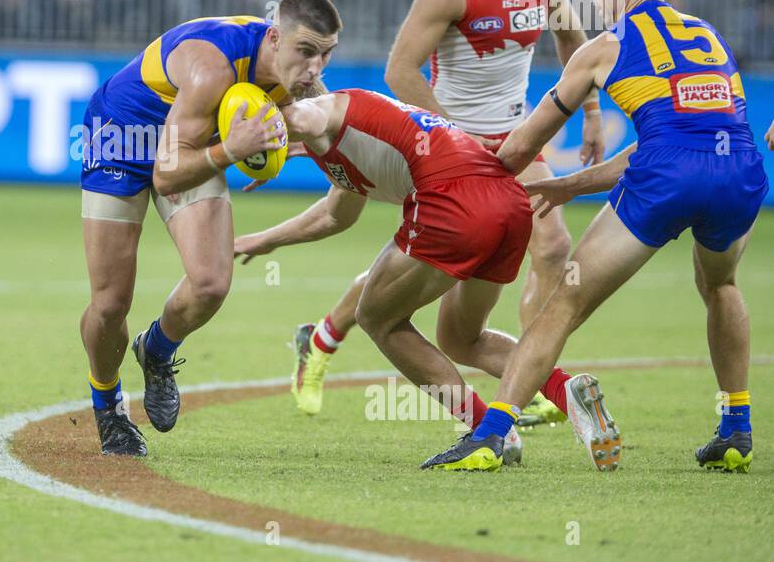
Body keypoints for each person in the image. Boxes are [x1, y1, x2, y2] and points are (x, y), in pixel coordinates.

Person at [423, 0, 767, 472]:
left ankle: (491, 434)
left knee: (561, 303)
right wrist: (568, 185)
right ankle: (736, 430)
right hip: (741, 173)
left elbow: (522, 143)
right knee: (721, 285)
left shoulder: (603, 48)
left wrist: (461, 180)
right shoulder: (708, 34)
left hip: (666, 180)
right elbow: (681, 137)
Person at [289, 0, 603, 423]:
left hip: (516, 140)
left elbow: (574, 46)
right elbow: (399, 70)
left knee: (550, 246)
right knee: (435, 262)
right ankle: (322, 338)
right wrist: (452, 137)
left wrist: (594, 112)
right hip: (448, 146)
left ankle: (525, 370)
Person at [235, 87, 591, 467]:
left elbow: (300, 115)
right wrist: (265, 240)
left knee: (375, 316)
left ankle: (483, 433)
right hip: (507, 202)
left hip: (455, 203)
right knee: (463, 339)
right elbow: (334, 215)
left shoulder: (320, 112)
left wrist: (239, 143)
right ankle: (565, 390)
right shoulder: (341, 143)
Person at [79, 0, 340, 456]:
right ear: (275, 38)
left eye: (326, 54)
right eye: (306, 52)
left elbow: (327, 119)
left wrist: (315, 149)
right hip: (124, 132)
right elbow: (165, 172)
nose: (315, 68)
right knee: (111, 302)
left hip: (191, 139)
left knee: (211, 284)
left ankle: (156, 350)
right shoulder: (213, 67)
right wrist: (232, 151)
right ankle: (109, 408)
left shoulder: (299, 75)